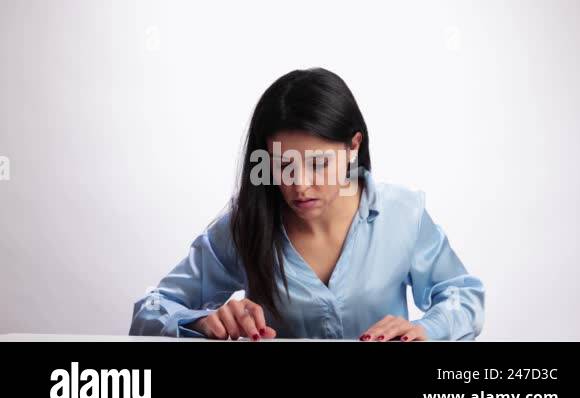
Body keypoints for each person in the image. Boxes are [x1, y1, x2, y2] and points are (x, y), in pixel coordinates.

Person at [129, 68, 484, 341]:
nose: (299, 185)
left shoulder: (403, 214)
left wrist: (427, 328)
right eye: (283, 165)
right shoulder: (247, 225)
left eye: (318, 164)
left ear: (353, 146)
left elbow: (463, 295)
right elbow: (151, 308)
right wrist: (201, 322)